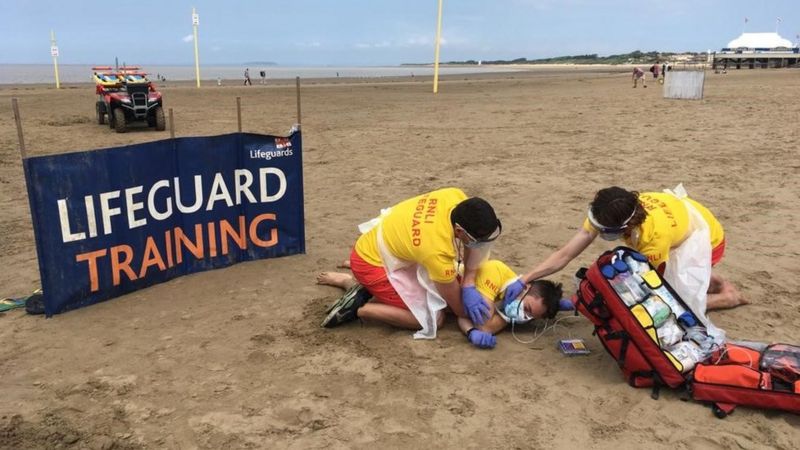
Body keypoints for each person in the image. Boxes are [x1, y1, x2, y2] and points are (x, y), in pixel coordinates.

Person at [504, 186, 747, 312]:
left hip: (705, 238)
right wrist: (526, 278)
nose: (596, 230)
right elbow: (566, 253)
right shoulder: (611, 210)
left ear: (627, 225)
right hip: (683, 220)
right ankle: (710, 281)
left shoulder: (653, 239)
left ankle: (728, 297)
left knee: (668, 303)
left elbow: (652, 286)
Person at [320, 188, 502, 339]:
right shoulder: (436, 251)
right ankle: (360, 307)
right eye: (478, 239)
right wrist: (474, 316)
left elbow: (472, 245)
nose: (481, 245)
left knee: (446, 285)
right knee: (434, 317)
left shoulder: (456, 197)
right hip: (371, 263)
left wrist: (469, 282)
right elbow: (459, 309)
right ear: (459, 230)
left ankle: (368, 286)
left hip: (385, 245)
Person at [317, 259, 565, 349]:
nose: (523, 316)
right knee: (431, 321)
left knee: (437, 316)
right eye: (528, 308)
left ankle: (359, 287)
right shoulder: (496, 272)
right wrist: (479, 328)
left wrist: (469, 332)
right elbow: (483, 322)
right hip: (424, 282)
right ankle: (358, 305)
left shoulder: (511, 298)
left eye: (531, 317)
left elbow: (471, 322)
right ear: (525, 288)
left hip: (432, 288)